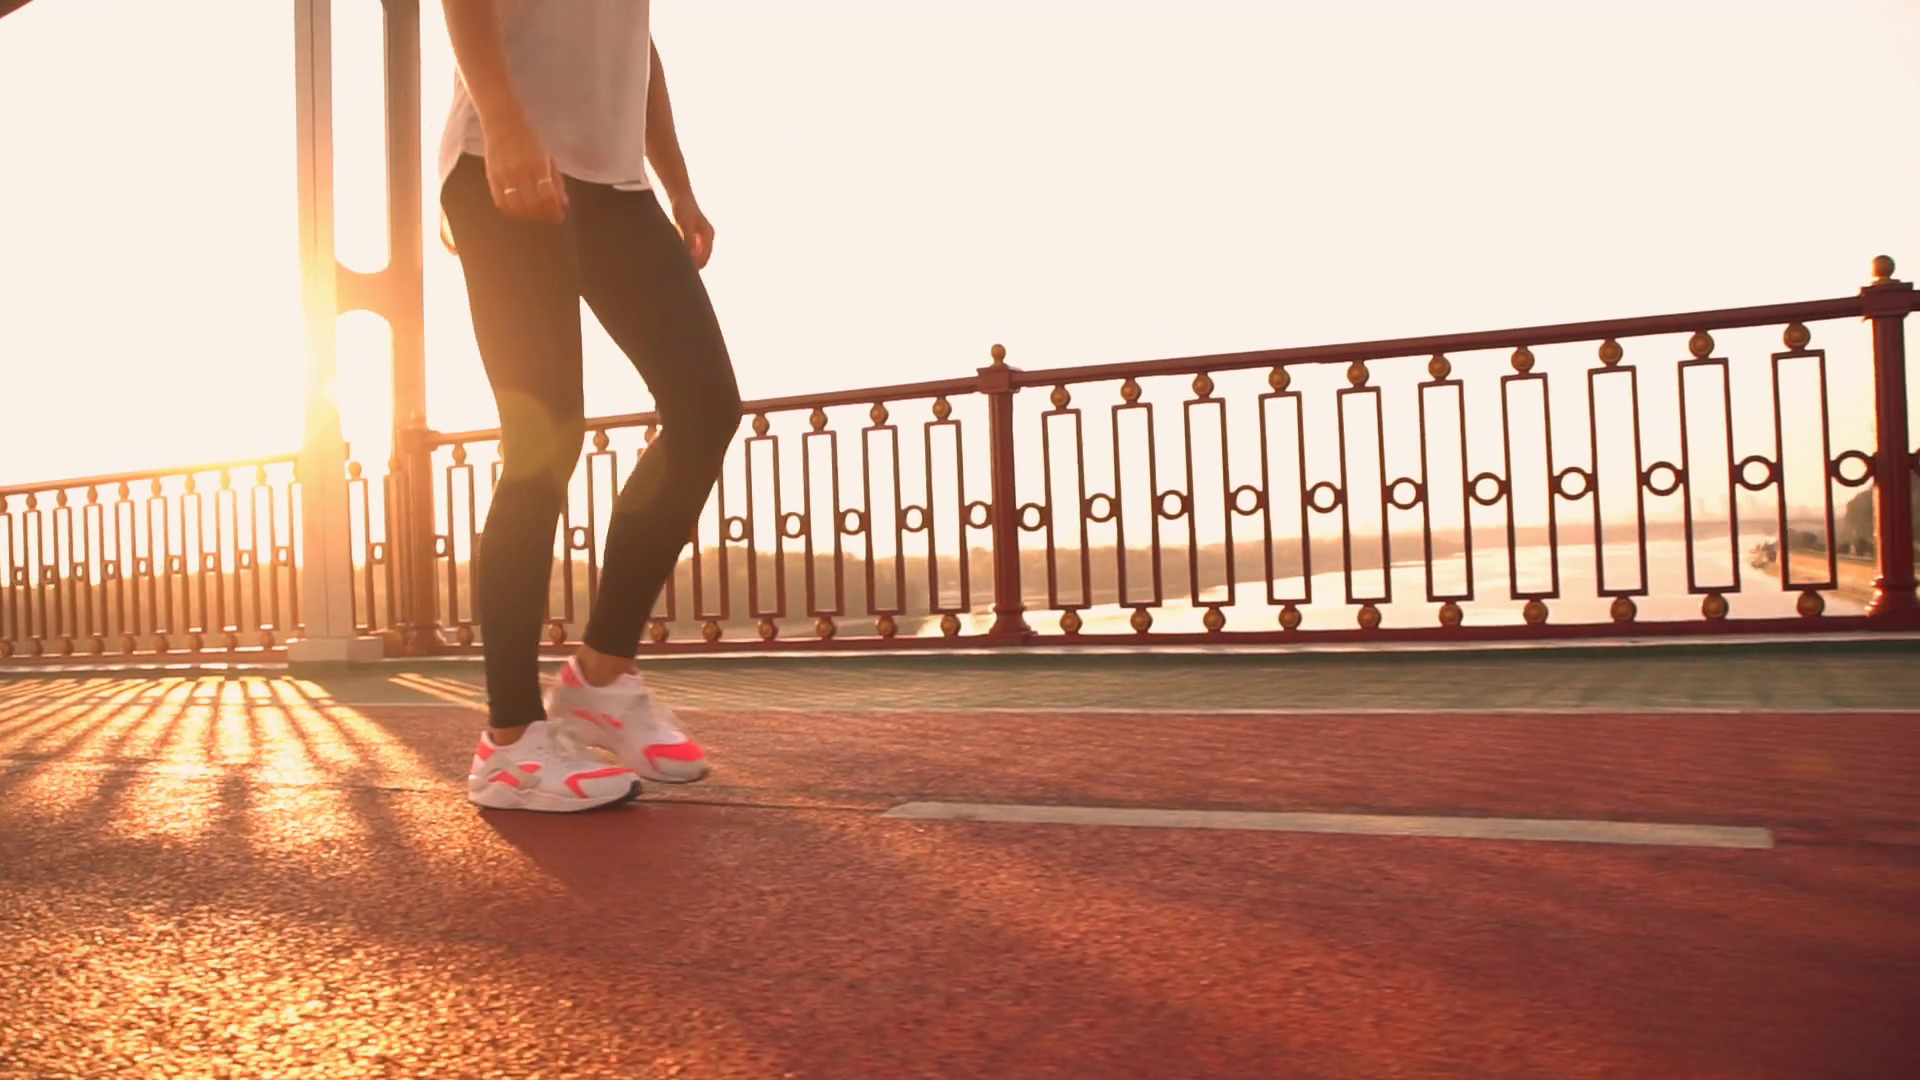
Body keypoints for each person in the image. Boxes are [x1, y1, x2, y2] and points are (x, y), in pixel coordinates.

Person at [438, 0, 742, 812]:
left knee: (707, 406)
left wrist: (679, 188)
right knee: (545, 441)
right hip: (506, 159)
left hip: (616, 187)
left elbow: (635, 44)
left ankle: (602, 674)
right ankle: (507, 745)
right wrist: (502, 124)